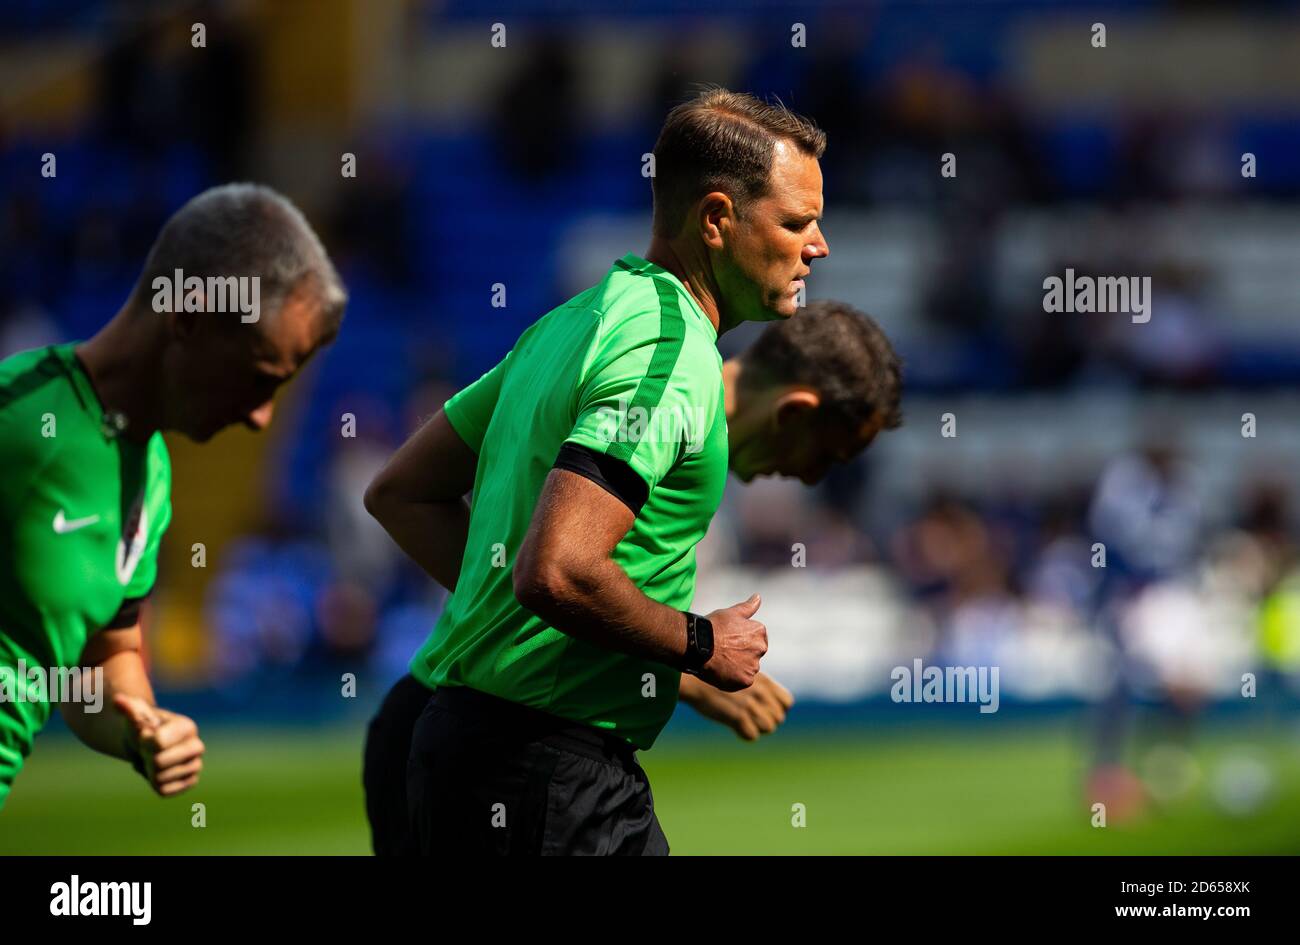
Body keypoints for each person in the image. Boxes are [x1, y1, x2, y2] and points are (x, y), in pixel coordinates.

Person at [363, 299, 903, 854]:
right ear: (794, 412)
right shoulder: (666, 388)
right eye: (829, 454)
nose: (813, 477)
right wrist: (695, 650)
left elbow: (402, 496)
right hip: (521, 752)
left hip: (438, 727)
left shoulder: (572, 341)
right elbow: (555, 576)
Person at [0, 183, 346, 811]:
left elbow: (105, 658)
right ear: (186, 315)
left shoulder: (152, 474)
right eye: (258, 377)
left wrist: (140, 726)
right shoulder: (18, 421)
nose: (263, 418)